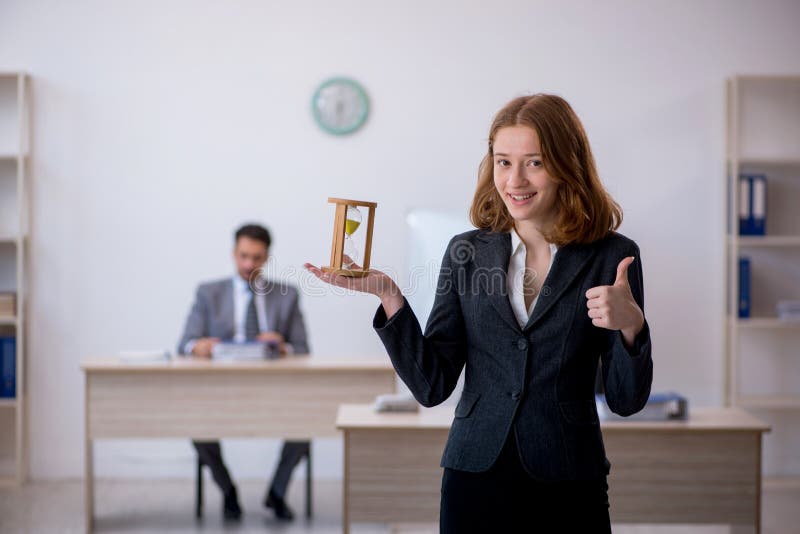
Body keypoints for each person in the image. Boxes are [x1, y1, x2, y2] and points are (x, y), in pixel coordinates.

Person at [304, 94, 653, 533]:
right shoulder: (466, 252)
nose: (515, 179)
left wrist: (631, 326)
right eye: (504, 162)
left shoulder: (613, 256)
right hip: (475, 473)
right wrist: (389, 297)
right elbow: (433, 385)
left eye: (535, 162)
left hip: (569, 475)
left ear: (568, 165)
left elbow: (626, 400)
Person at [178, 223, 310, 521]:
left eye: (257, 257)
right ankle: (227, 491)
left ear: (267, 258)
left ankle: (277, 492)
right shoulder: (208, 293)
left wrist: (282, 345)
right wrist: (198, 346)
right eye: (243, 256)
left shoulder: (287, 295)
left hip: (274, 389)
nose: (249, 264)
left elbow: (303, 348)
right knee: (197, 427)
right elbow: (183, 344)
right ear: (233, 253)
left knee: (309, 422)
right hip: (220, 390)